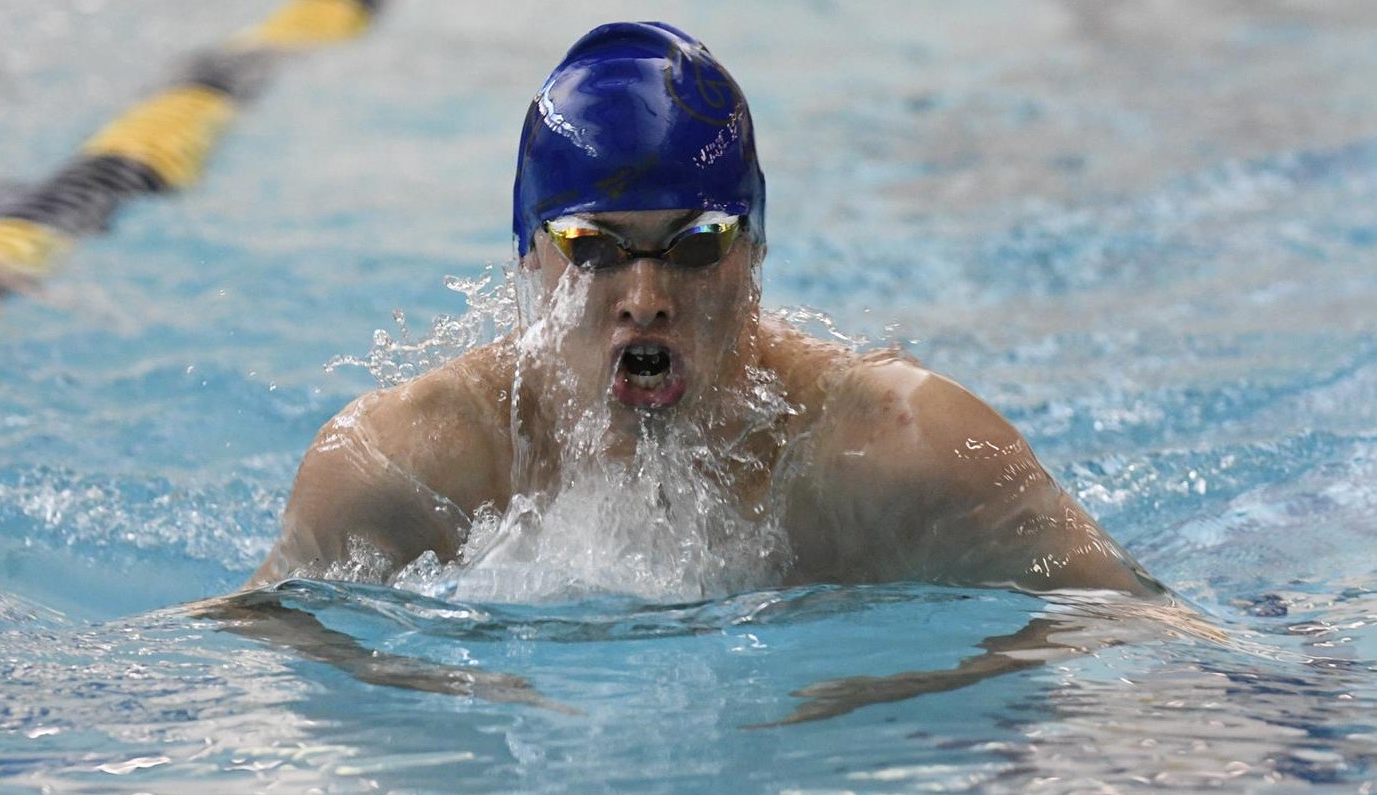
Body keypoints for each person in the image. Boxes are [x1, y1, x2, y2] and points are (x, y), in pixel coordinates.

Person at [246, 21, 1163, 599]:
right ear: (528, 256)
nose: (644, 300)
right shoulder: (404, 472)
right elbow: (247, 690)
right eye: (593, 248)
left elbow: (1137, 638)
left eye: (695, 245)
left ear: (753, 253)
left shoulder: (897, 449)